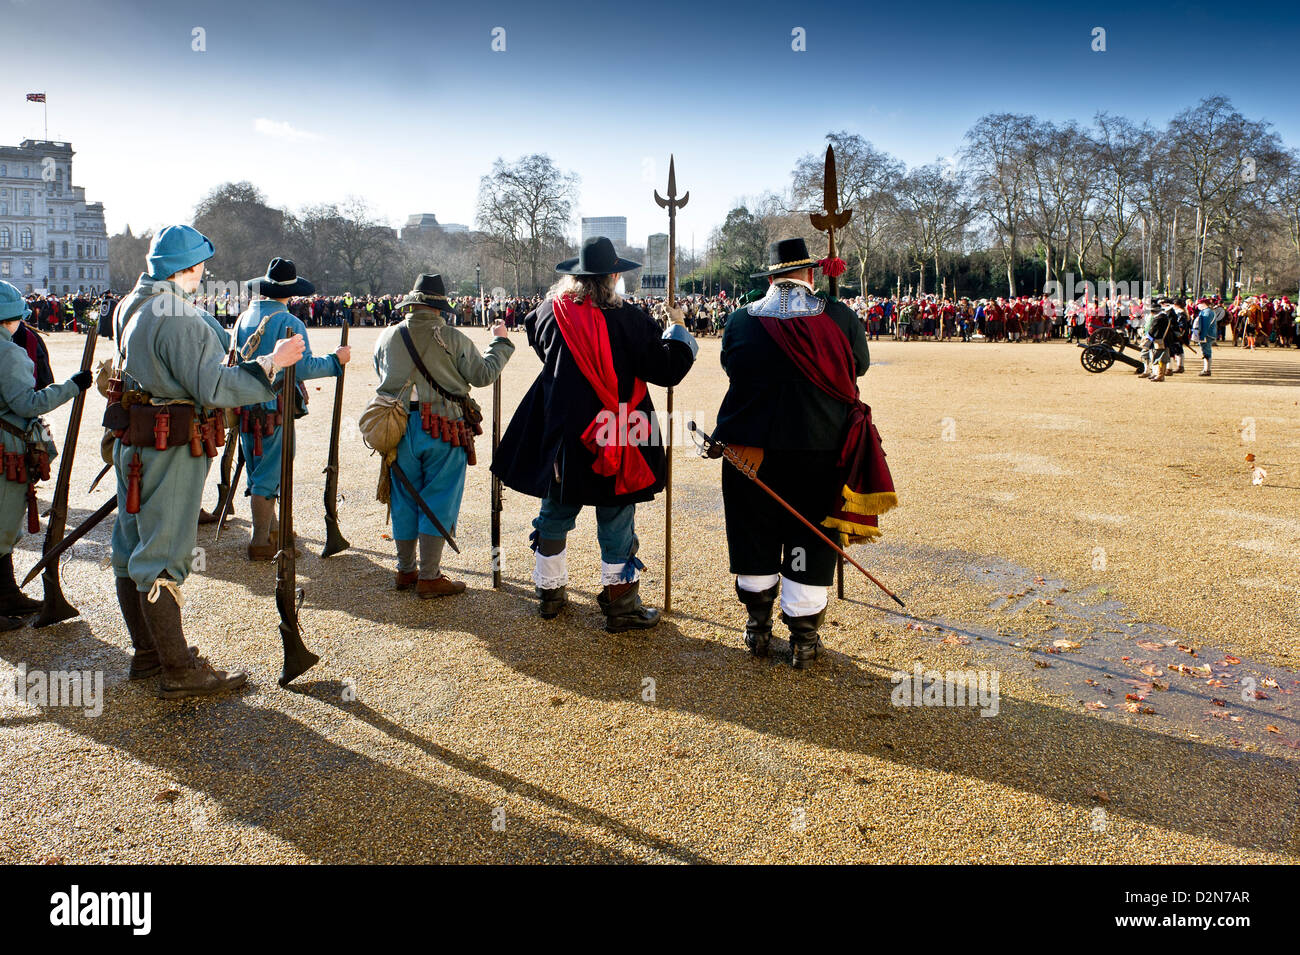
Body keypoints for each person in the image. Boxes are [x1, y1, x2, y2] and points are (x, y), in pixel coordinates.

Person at [110, 225, 305, 698]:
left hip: (134, 440)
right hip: (169, 447)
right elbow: (214, 388)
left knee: (131, 545)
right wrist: (272, 364)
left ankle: (149, 653)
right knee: (163, 554)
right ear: (187, 269)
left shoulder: (130, 304)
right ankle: (177, 669)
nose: (204, 275)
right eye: (201, 267)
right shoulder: (177, 316)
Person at [492, 236, 697, 631]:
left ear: (576, 278)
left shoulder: (547, 314)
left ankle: (549, 594)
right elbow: (667, 369)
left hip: (562, 432)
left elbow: (544, 348)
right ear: (614, 277)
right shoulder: (632, 320)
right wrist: (679, 330)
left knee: (555, 510)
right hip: (617, 430)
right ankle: (622, 605)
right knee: (617, 516)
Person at [714, 238, 894, 669]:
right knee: (809, 540)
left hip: (749, 451)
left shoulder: (739, 320)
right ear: (811, 274)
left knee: (753, 533)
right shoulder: (840, 316)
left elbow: (730, 366)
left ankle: (757, 627)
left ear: (772, 277)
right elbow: (860, 367)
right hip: (820, 448)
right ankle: (804, 637)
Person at [373, 273, 513, 596]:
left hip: (395, 429)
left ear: (413, 303)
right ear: (439, 307)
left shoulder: (386, 337)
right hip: (444, 429)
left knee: (405, 499)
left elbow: (380, 373)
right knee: (437, 496)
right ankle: (430, 576)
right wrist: (501, 342)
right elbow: (483, 374)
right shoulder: (451, 337)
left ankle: (406, 571)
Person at [234, 258, 349, 560]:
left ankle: (273, 529)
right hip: (274, 406)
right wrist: (336, 361)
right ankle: (261, 542)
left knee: (258, 468)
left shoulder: (244, 317)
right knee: (272, 471)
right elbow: (306, 366)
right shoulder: (290, 322)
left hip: (246, 404)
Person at [0, 281, 90, 627]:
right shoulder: (8, 352)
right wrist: (71, 386)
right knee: (4, 520)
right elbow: (27, 404)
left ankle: (5, 592)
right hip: (6, 446)